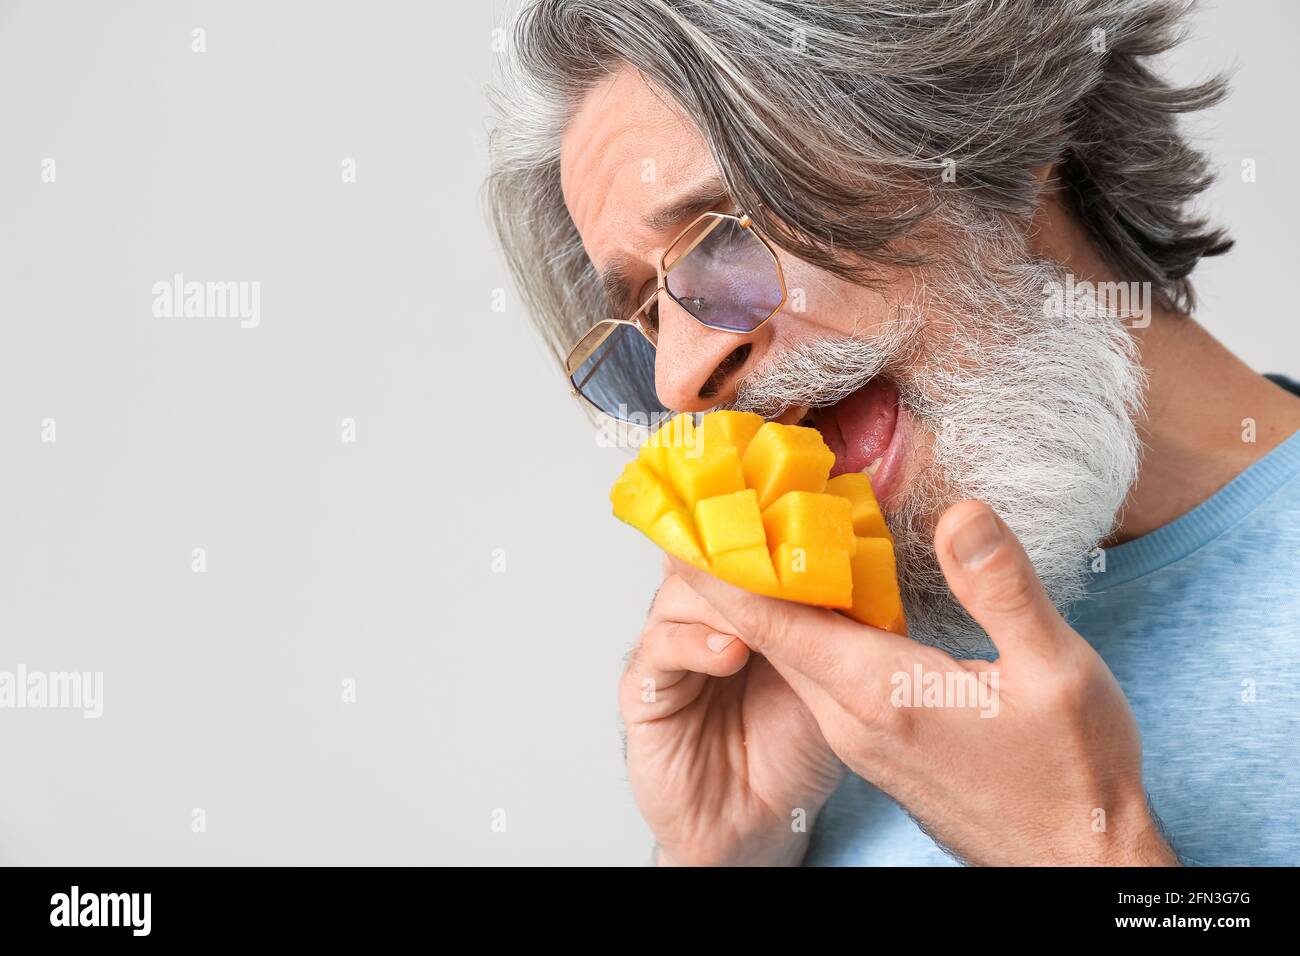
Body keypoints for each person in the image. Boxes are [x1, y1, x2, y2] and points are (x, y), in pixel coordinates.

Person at [486, 0, 1300, 865]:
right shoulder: (826, 705)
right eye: (646, 314)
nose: (678, 377)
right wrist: (723, 851)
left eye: (720, 240)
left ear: (996, 135)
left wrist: (1075, 847)